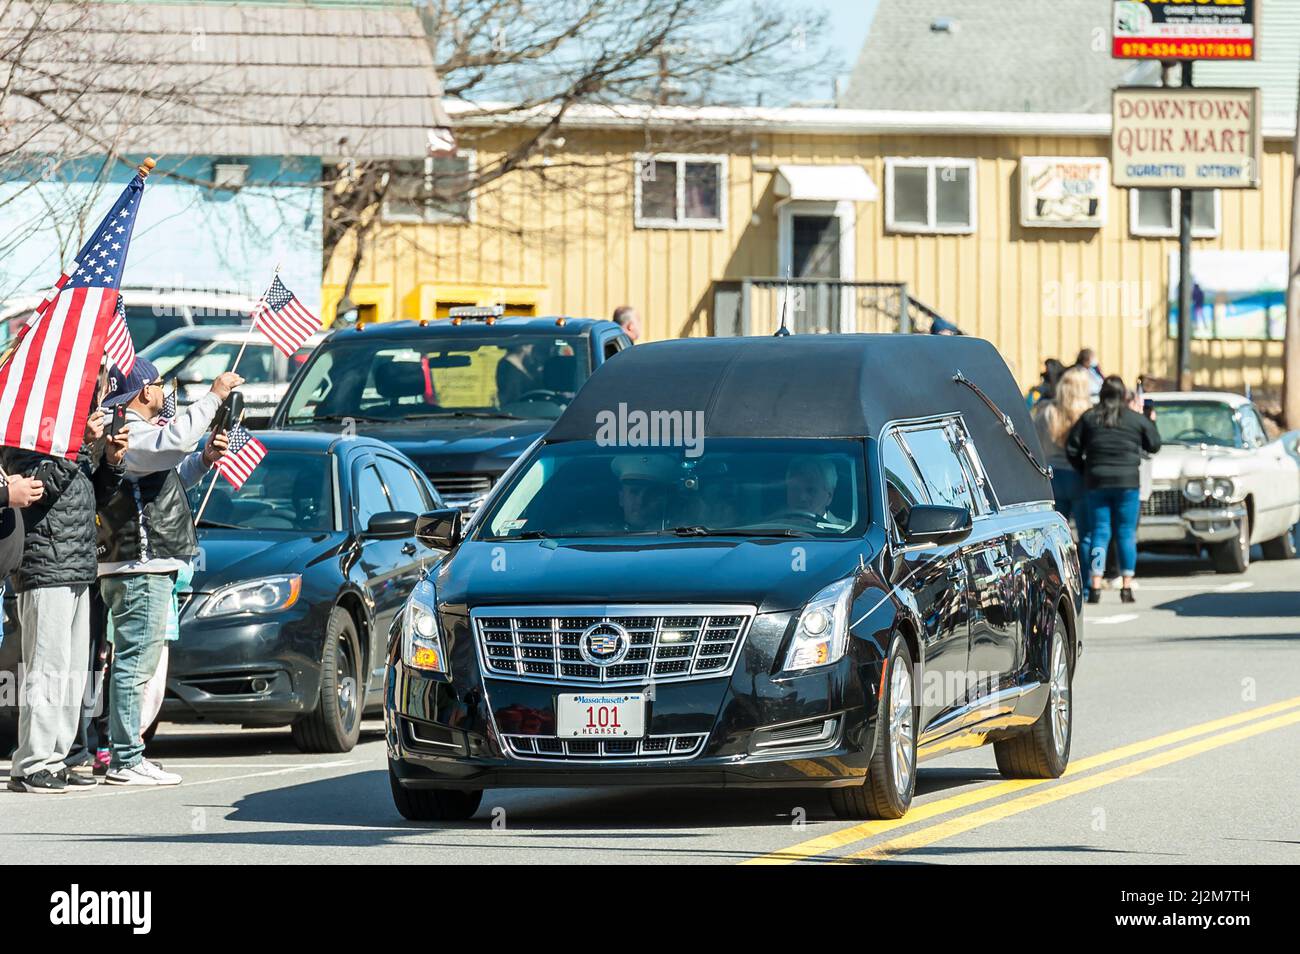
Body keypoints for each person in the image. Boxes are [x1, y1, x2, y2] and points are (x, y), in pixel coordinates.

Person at [95, 359, 238, 786]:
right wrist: (214, 396)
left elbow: (170, 471)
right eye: (159, 384)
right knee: (134, 664)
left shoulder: (142, 439)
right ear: (143, 393)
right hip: (139, 565)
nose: (164, 391)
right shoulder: (128, 433)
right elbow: (173, 442)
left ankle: (127, 754)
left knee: (137, 661)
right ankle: (125, 758)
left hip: (147, 564)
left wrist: (205, 459)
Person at [3, 407, 128, 793]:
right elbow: (40, 490)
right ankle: (33, 762)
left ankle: (57, 757)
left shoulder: (67, 445)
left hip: (76, 564)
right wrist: (78, 443)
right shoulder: (27, 436)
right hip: (45, 564)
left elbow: (93, 494)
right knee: (47, 667)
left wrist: (108, 461)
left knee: (70, 671)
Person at [1066, 374, 1161, 605]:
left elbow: (1072, 448)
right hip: (1127, 483)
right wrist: (1150, 420)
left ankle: (1095, 584)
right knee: (1126, 533)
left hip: (1096, 481)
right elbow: (1154, 445)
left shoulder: (1089, 418)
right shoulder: (1134, 419)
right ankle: (1127, 586)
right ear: (1123, 395)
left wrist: (1085, 469)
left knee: (1100, 532)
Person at [1034, 367, 1092, 535]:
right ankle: (1088, 562)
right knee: (1087, 533)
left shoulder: (1046, 412)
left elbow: (1036, 444)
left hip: (1053, 476)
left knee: (1055, 533)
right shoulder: (1088, 414)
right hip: (1078, 474)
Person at [611, 455, 671, 531]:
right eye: (634, 492)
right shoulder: (600, 536)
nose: (641, 502)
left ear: (664, 500)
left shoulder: (681, 535)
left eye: (651, 493)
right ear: (621, 498)